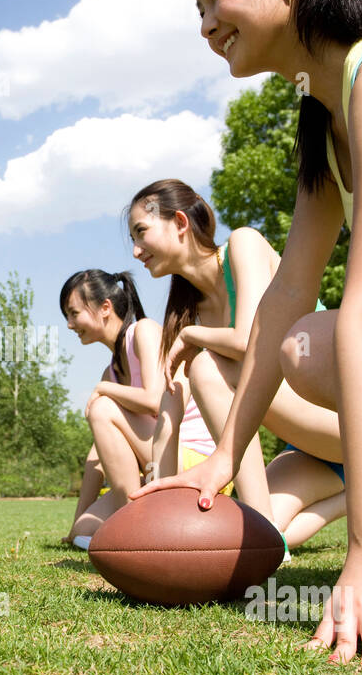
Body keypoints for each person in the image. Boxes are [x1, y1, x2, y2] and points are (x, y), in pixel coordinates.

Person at [135, 0, 362, 666]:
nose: (205, 25)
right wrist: (224, 457)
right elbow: (284, 296)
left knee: (316, 346)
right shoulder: (323, 118)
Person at [128, 178, 348, 552]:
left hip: (342, 417)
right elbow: (169, 413)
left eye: (141, 232)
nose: (135, 251)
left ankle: (265, 549)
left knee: (207, 369)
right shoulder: (187, 315)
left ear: (180, 222)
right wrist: (156, 502)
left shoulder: (242, 245)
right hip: (308, 447)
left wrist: (194, 337)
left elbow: (253, 342)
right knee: (253, 526)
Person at [59, 268, 228, 547]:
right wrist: (74, 523)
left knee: (102, 407)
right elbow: (96, 456)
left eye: (73, 313)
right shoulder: (110, 372)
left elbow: (154, 400)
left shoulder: (143, 331)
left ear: (105, 308)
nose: (69, 324)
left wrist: (103, 391)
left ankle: (141, 528)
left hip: (191, 457)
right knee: (83, 530)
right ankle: (135, 521)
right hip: (152, 463)